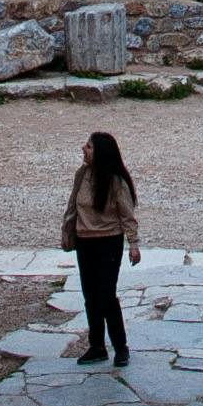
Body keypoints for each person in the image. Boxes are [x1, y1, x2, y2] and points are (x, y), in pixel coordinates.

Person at [64, 129, 141, 367]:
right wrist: (68, 233)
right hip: (85, 240)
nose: (83, 149)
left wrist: (133, 243)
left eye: (88, 146)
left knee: (106, 294)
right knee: (90, 295)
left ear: (100, 152)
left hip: (109, 240)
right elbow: (72, 206)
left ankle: (120, 346)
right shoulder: (82, 175)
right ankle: (96, 346)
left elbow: (127, 213)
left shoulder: (116, 181)